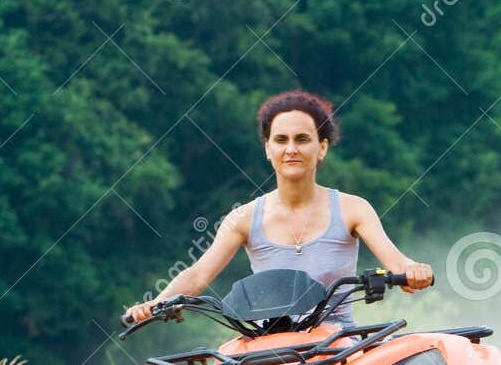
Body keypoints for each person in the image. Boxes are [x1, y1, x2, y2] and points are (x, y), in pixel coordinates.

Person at [124, 91, 433, 327]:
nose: (291, 149)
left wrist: (413, 271)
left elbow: (396, 263)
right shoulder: (243, 218)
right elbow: (198, 274)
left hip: (338, 342)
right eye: (281, 140)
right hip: (266, 343)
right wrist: (158, 303)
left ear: (321, 148)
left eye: (302, 139)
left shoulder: (353, 209)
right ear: (268, 149)